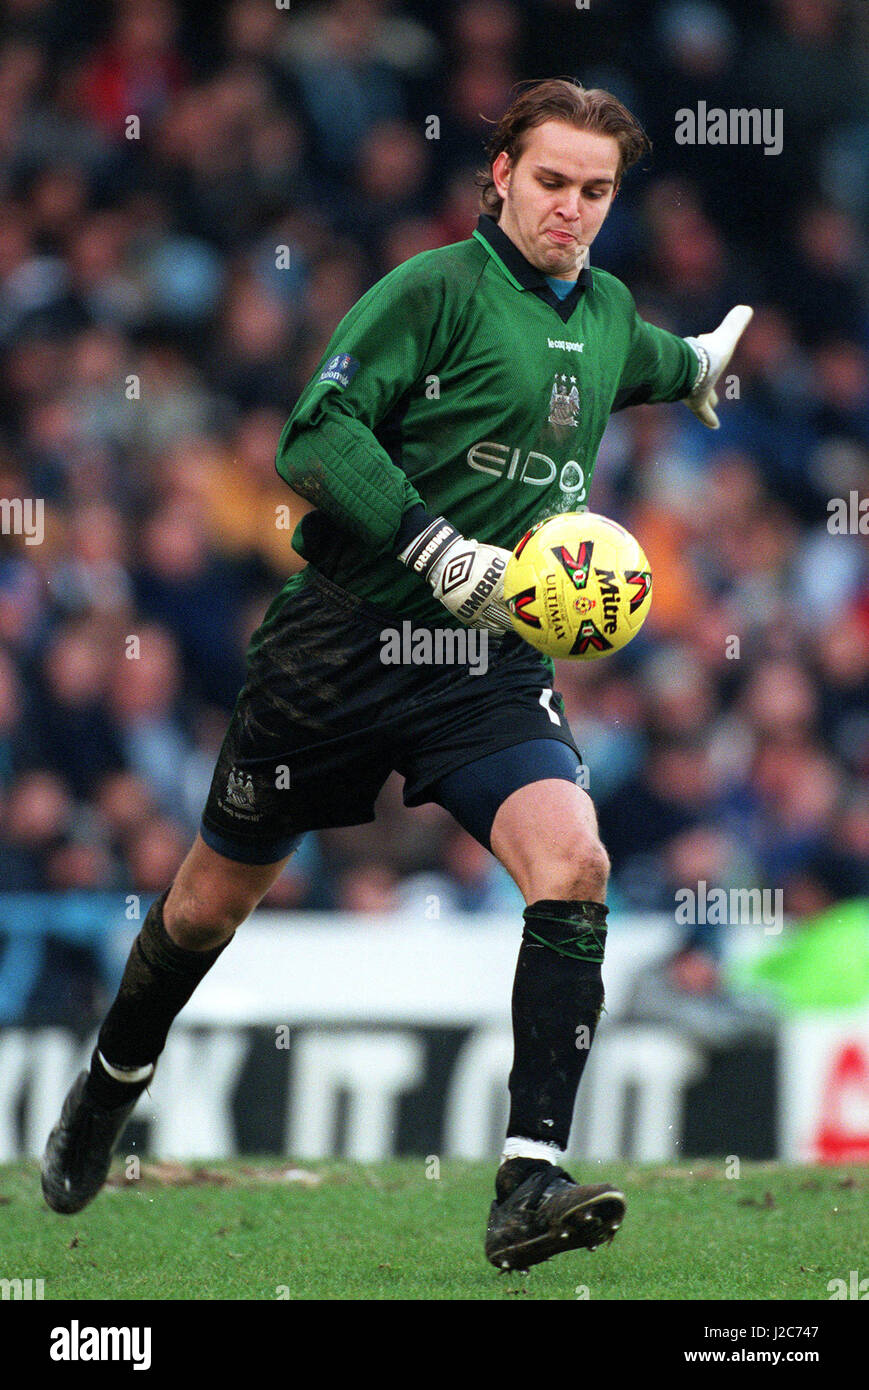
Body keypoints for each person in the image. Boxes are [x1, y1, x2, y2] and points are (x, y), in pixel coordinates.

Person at [42, 78, 752, 1272]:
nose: (569, 210)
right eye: (549, 183)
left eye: (594, 190)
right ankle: (111, 1082)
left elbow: (653, 357)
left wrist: (701, 365)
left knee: (572, 859)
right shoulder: (430, 291)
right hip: (340, 645)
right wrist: (436, 545)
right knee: (209, 904)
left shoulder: (612, 310)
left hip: (483, 663)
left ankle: (527, 1181)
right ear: (499, 177)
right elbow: (310, 439)